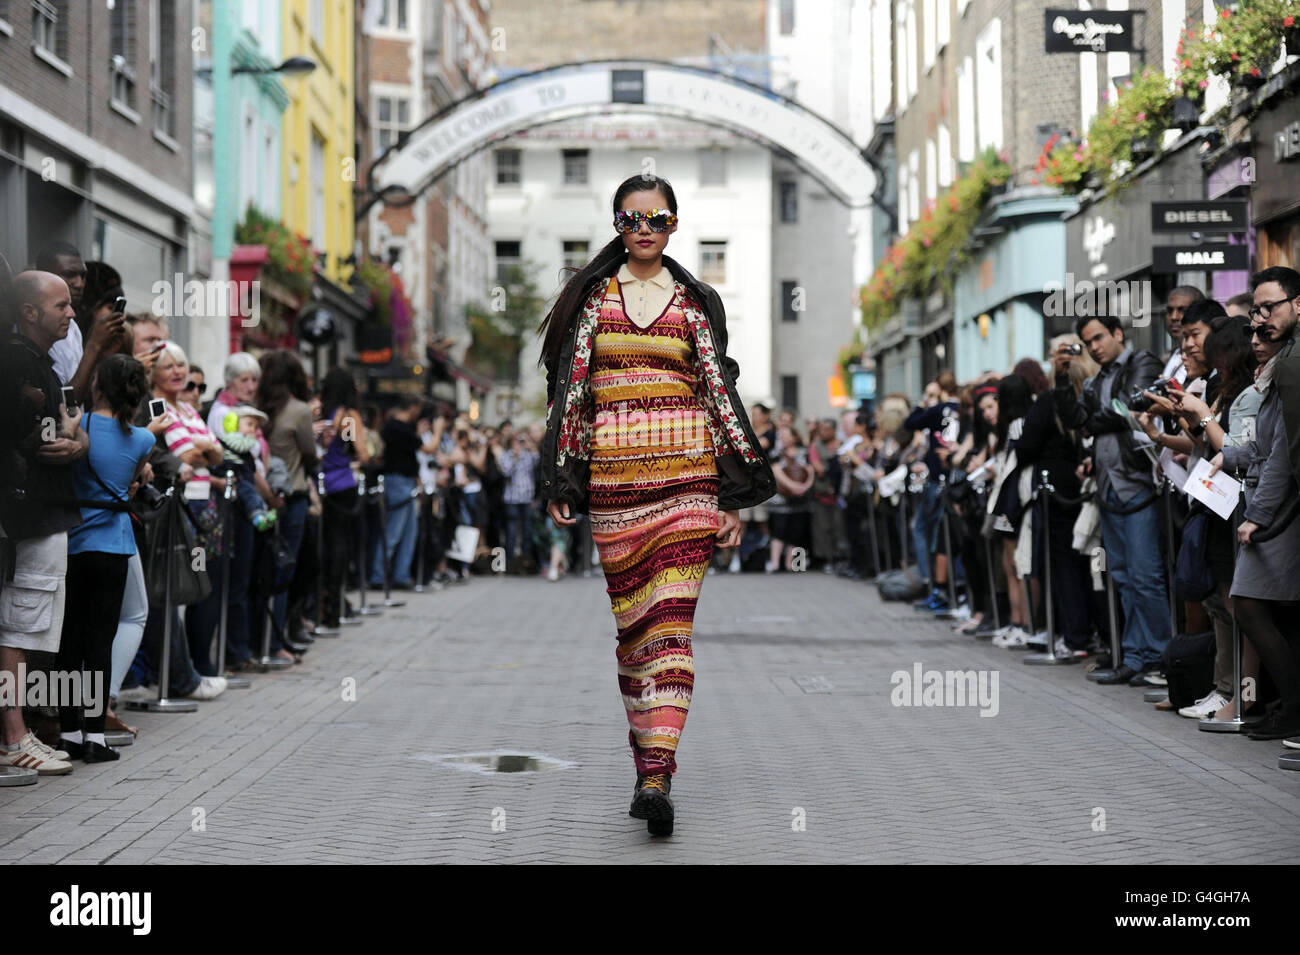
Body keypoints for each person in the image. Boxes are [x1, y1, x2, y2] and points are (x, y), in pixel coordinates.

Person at [538, 173, 775, 836]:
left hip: (688, 487)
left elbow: (718, 396)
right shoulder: (590, 302)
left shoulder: (697, 303)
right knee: (635, 636)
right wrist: (563, 479)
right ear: (618, 224)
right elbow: (572, 395)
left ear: (675, 225)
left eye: (658, 218)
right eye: (632, 218)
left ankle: (657, 774)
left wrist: (732, 493)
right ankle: (645, 757)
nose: (644, 230)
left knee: (670, 627)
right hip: (615, 493)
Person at [0, 271, 87, 775]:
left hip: (44, 514)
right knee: (16, 627)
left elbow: (66, 429)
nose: (71, 313)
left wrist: (75, 438)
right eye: (62, 306)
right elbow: (41, 440)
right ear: (30, 311)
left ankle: (22, 732)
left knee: (30, 627)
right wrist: (66, 437)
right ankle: (14, 737)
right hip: (26, 515)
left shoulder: (44, 364)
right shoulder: (14, 360)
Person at [1054, 313, 1170, 686]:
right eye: (1088, 343)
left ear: (1118, 334)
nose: (1094, 347)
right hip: (1108, 489)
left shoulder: (1142, 362)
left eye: (1099, 338)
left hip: (1137, 485)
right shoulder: (1098, 377)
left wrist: (1097, 418)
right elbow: (1077, 418)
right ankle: (1134, 656)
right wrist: (1061, 377)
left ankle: (1159, 658)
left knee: (1146, 577)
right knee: (1121, 576)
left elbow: (1126, 410)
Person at [1211, 267, 1300, 740]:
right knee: (1269, 609)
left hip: (1279, 512)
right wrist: (1228, 455)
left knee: (1246, 603)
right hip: (1271, 507)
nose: (1261, 320)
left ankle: (1290, 708)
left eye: (1271, 308)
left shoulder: (1289, 368)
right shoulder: (1276, 371)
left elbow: (1283, 458)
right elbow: (1265, 447)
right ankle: (1286, 707)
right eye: (1257, 310)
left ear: (1297, 305)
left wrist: (1259, 517)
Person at [57, 354, 154, 762]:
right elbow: (137, 479)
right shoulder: (144, 439)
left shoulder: (79, 425)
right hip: (115, 547)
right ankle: (96, 735)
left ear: (97, 386)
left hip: (74, 542)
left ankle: (69, 732)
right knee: (101, 639)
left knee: (68, 640)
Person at [256, 350, 317, 647]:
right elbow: (310, 455)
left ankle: (259, 639)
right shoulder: (299, 410)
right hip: (291, 495)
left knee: (258, 569)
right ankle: (275, 642)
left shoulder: (255, 407)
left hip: (257, 495)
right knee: (282, 568)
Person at [318, 368, 370, 627]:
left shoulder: (321, 410)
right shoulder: (349, 416)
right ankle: (335, 607)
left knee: (324, 544)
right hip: (342, 482)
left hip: (320, 482)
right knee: (340, 545)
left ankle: (321, 603)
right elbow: (362, 450)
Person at [371, 395, 429, 588]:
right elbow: (427, 448)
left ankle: (401, 575)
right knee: (393, 531)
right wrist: (435, 431)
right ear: (412, 408)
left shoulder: (398, 428)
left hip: (407, 481)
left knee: (408, 533)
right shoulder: (398, 428)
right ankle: (379, 575)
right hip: (397, 482)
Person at [1161, 285, 1205, 384]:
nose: (1174, 317)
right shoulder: (1170, 356)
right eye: (1170, 311)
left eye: (1182, 310)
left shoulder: (1204, 361)